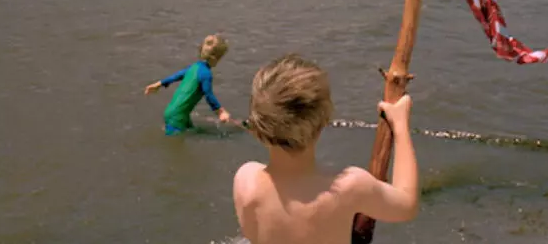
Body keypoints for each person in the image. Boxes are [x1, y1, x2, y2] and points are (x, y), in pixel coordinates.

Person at [233, 53, 418, 244]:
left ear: (258, 126)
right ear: (324, 120)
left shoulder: (246, 181)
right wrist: (400, 125)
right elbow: (407, 204)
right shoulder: (350, 187)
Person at [144, 34, 231, 135]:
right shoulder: (206, 74)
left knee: (194, 132)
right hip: (177, 117)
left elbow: (176, 76)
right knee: (175, 147)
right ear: (215, 59)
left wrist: (158, 84)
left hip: (177, 113)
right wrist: (220, 112)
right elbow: (209, 95)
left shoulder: (194, 67)